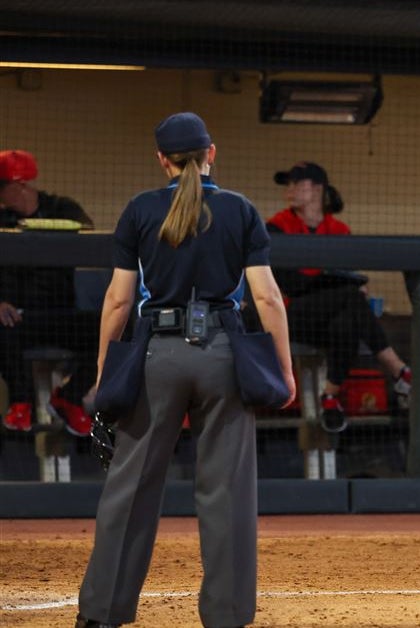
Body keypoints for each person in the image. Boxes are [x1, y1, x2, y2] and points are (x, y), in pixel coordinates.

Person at [75, 112, 295, 628]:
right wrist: (282, 369)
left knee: (130, 487)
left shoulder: (141, 210)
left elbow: (117, 301)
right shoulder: (240, 210)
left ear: (162, 159)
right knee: (227, 493)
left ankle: (101, 614)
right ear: (210, 153)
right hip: (224, 354)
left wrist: (108, 370)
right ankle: (227, 616)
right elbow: (266, 296)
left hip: (158, 354)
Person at [266, 161, 420, 433]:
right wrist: (337, 282)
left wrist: (338, 284)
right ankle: (398, 369)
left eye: (297, 182)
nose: (290, 189)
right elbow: (290, 284)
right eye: (288, 183)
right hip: (292, 317)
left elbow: (342, 278)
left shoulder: (339, 229)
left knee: (347, 321)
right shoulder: (276, 226)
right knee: (348, 295)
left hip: (329, 320)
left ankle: (329, 397)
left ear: (317, 188)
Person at [0, 149, 97, 436]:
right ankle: (21, 403)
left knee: (114, 329)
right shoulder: (2, 221)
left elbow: (88, 235)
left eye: (2, 187)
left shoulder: (63, 208)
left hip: (61, 315)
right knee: (2, 328)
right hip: (18, 319)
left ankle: (69, 398)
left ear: (20, 185)